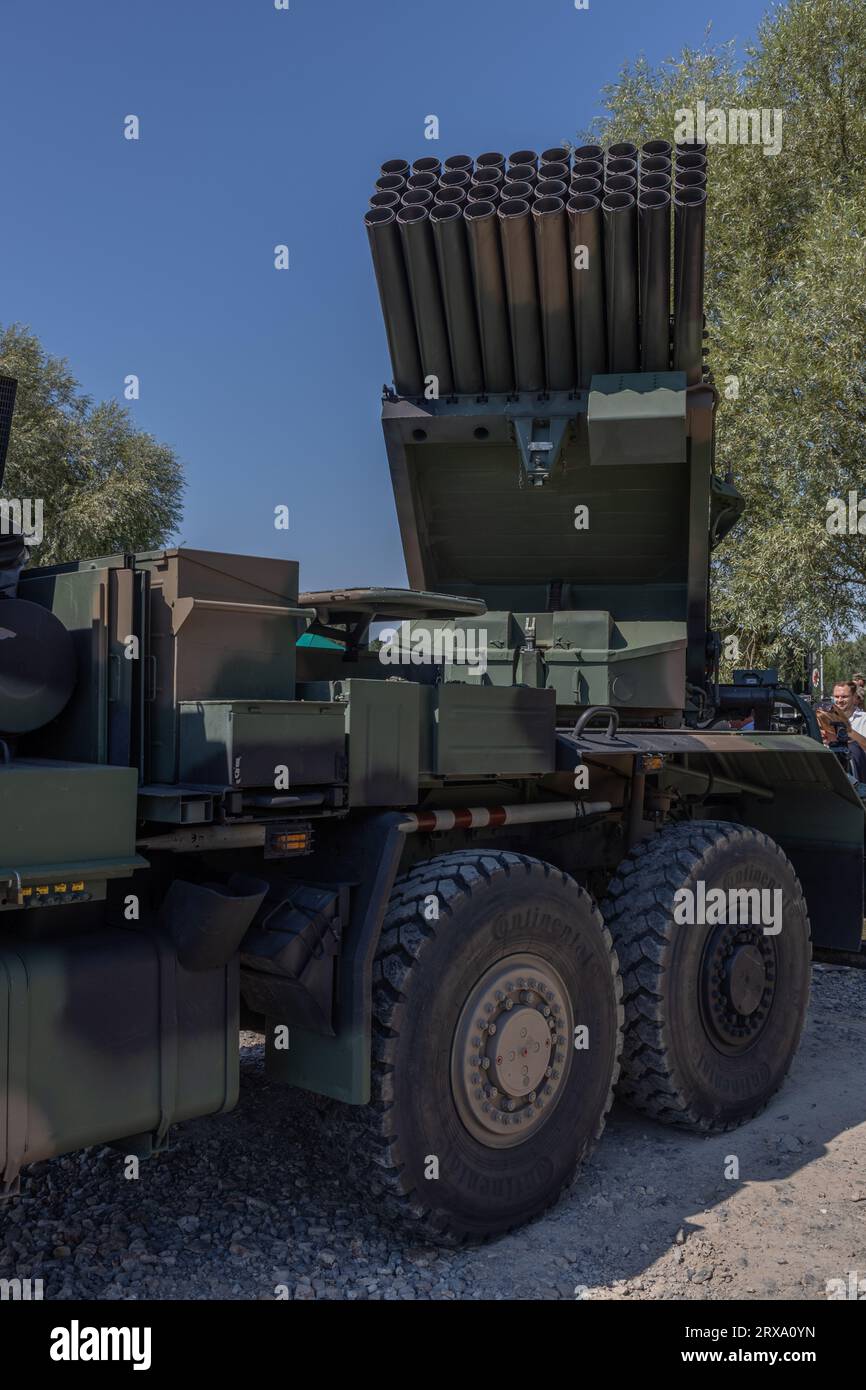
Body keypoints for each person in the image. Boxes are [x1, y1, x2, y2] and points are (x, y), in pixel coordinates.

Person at [816, 681, 866, 779]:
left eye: (844, 697)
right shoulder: (824, 716)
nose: (839, 700)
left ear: (854, 697)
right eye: (836, 696)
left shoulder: (864, 719)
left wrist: (843, 729)